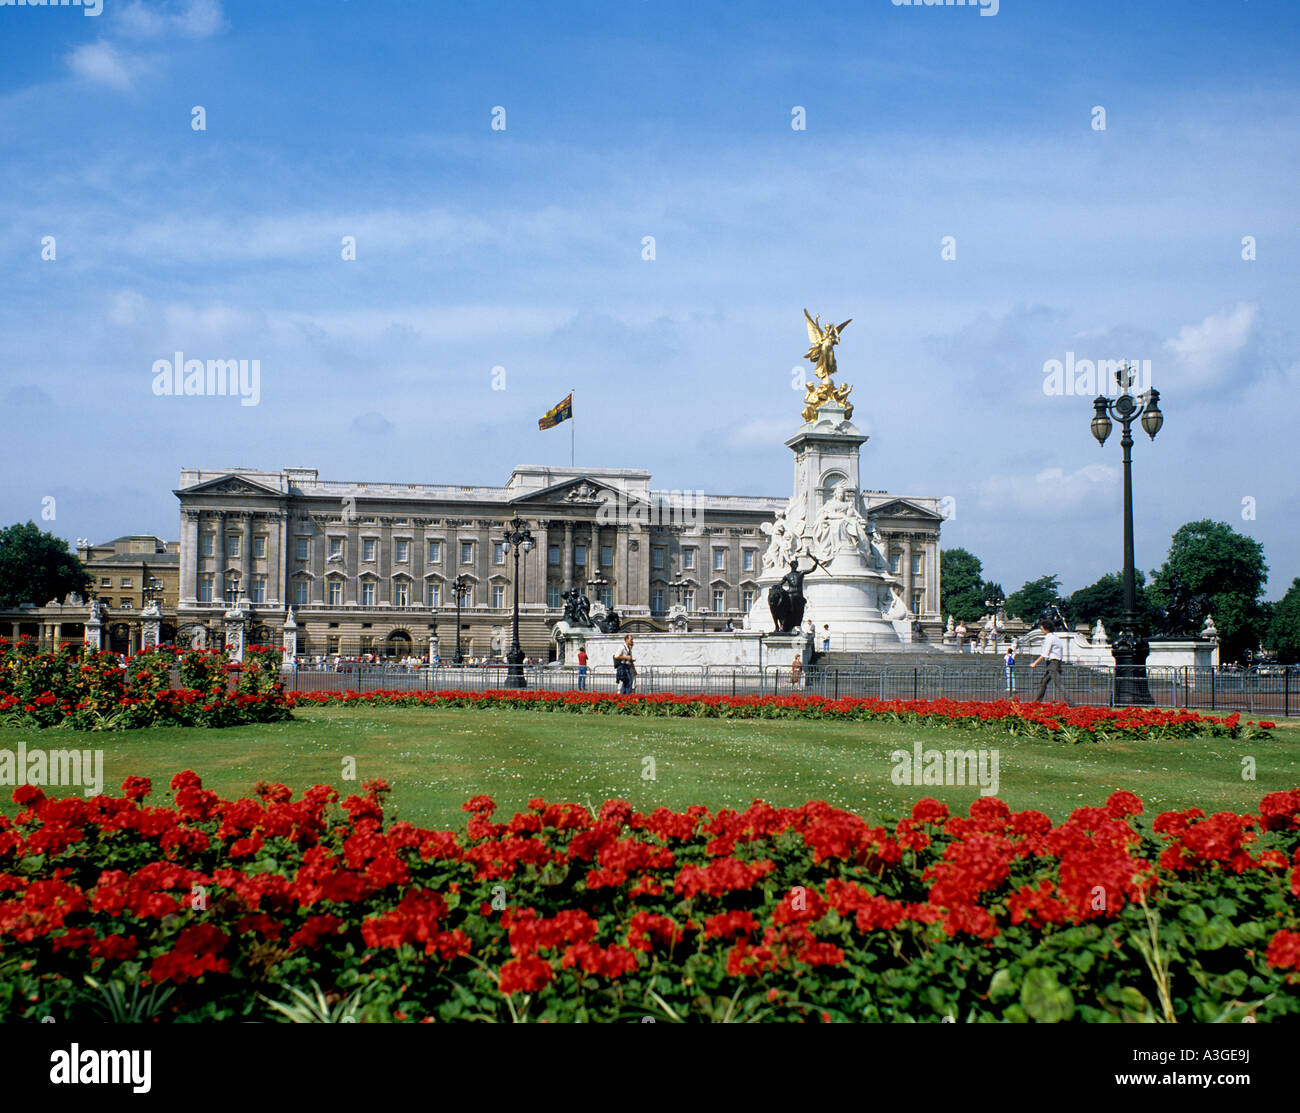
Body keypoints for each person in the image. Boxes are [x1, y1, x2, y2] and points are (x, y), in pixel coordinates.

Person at [1030, 620, 1069, 704]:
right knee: (1044, 682)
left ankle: (1071, 703)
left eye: (1042, 628)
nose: (1041, 630)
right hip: (1055, 662)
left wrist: (1034, 663)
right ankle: (1037, 701)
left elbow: (1045, 654)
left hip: (1052, 663)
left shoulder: (1049, 638)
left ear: (1046, 629)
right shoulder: (1055, 638)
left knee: (1058, 684)